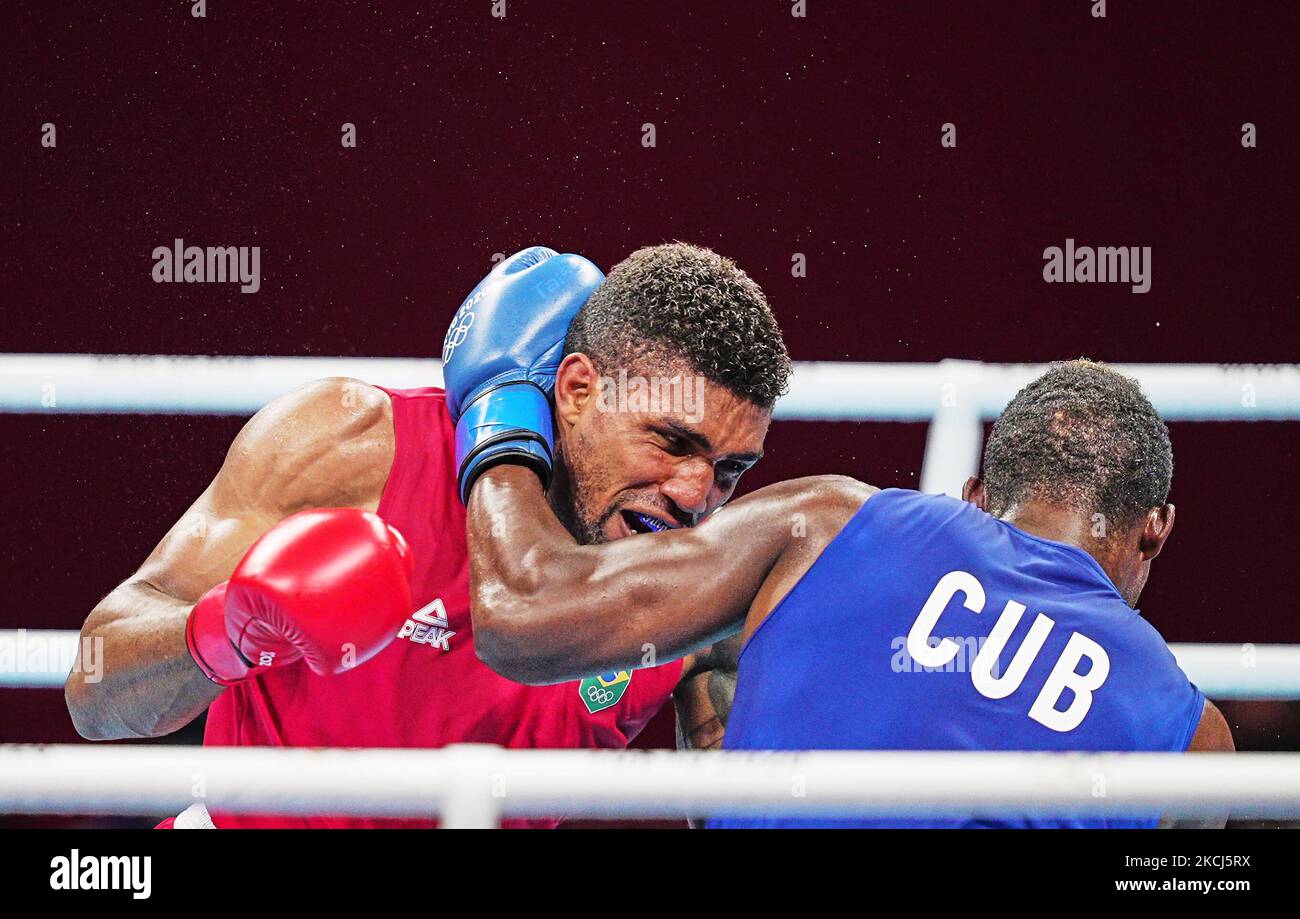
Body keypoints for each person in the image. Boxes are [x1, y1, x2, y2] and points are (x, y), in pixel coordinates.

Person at [458, 267, 1233, 828]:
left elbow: (522, 611)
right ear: (1157, 526)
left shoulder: (827, 521)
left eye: (728, 470)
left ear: (971, 500)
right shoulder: (1194, 738)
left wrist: (499, 416)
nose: (696, 493)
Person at [65, 243, 790, 828]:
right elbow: (93, 695)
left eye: (729, 469)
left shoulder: (706, 590)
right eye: (668, 440)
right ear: (576, 392)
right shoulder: (357, 449)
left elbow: (744, 805)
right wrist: (229, 626)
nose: (697, 495)